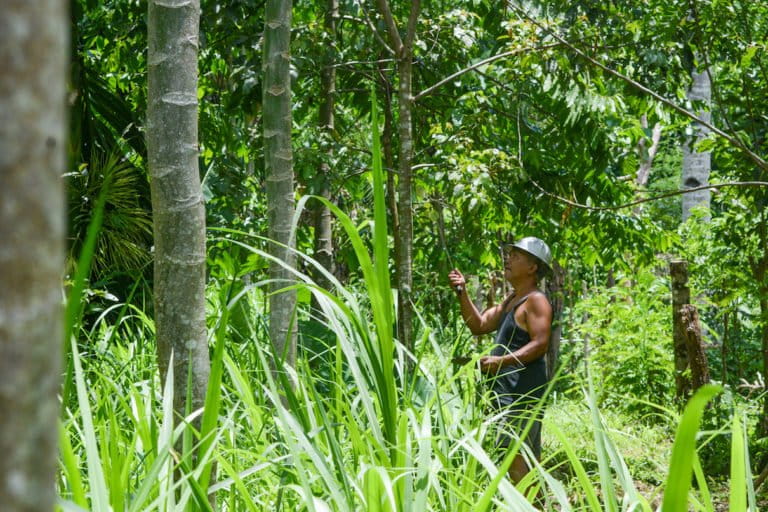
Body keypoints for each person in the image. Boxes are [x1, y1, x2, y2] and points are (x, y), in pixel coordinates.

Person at [448, 237, 553, 485]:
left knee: (517, 459)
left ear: (532, 267)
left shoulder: (536, 300)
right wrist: (462, 291)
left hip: (522, 393)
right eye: (510, 254)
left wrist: (501, 361)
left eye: (516, 256)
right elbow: (479, 324)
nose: (508, 259)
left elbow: (540, 344)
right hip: (505, 393)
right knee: (514, 458)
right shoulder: (511, 300)